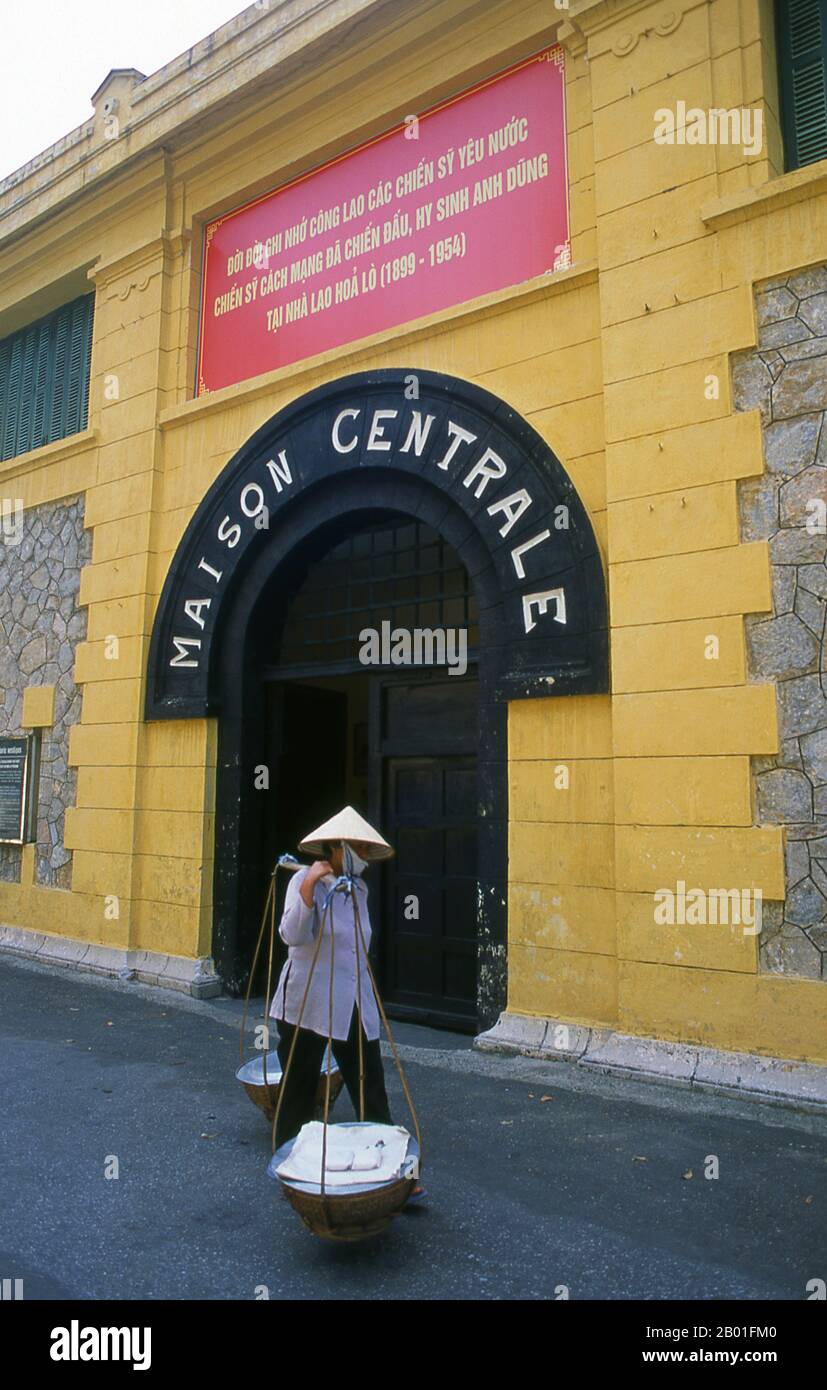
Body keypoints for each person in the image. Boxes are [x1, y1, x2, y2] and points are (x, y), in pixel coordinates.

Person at [269, 805, 425, 1199]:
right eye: (352, 845)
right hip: (308, 1002)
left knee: (370, 1086)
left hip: (353, 1002)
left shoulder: (359, 889)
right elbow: (292, 935)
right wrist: (309, 886)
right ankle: (293, 1169)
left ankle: (394, 1179)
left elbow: (356, 946)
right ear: (335, 848)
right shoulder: (305, 880)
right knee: (299, 1088)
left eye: (362, 846)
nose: (358, 853)